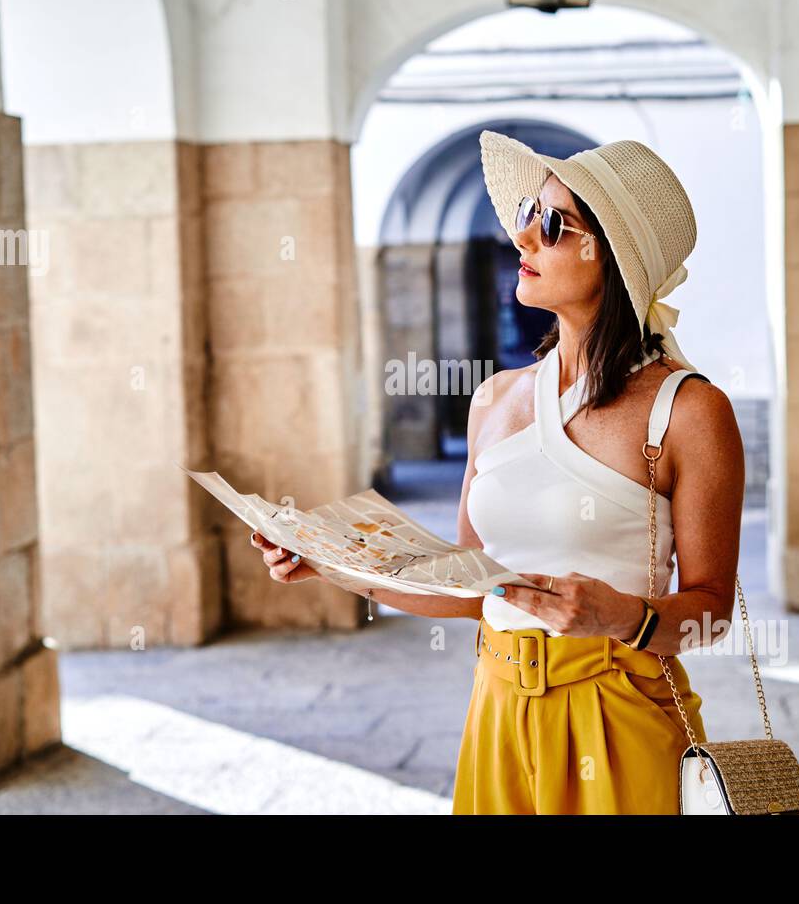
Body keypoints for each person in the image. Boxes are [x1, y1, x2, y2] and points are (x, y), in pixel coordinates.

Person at [250, 129, 744, 814]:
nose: (523, 241)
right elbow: (471, 583)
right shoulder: (495, 399)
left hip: (620, 710)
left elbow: (711, 611)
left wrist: (623, 616)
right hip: (497, 707)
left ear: (614, 258)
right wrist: (333, 564)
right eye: (523, 218)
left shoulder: (687, 411)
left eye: (551, 224)